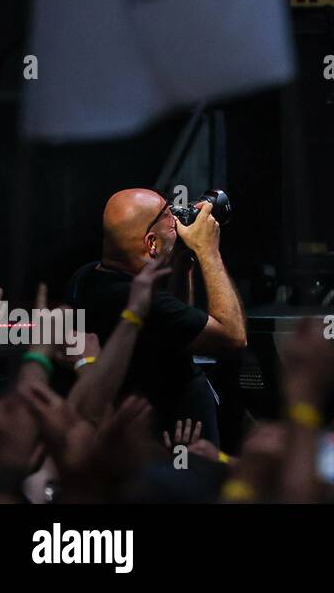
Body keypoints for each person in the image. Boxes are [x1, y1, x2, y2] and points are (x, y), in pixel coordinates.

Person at [65, 189, 247, 445]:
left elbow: (176, 330)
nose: (176, 215)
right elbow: (232, 336)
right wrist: (209, 252)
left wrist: (183, 262)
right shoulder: (140, 302)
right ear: (151, 243)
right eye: (167, 213)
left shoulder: (86, 278)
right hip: (178, 468)